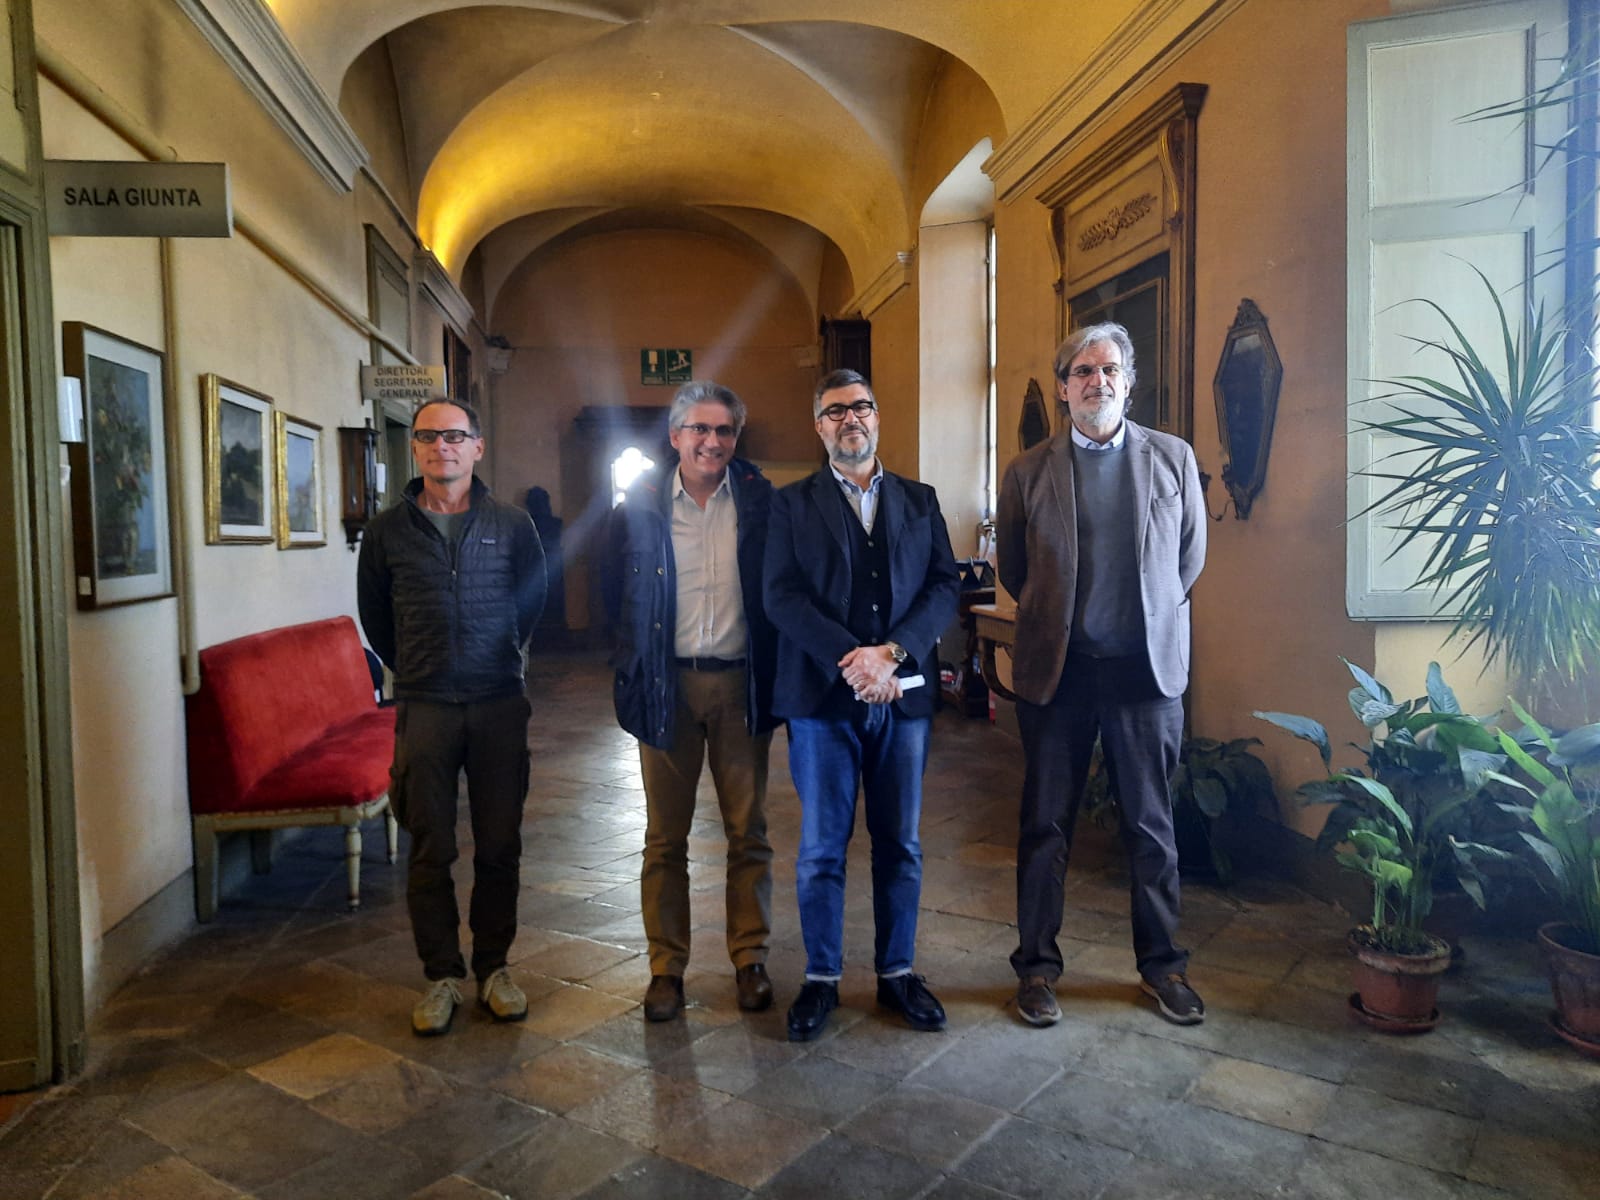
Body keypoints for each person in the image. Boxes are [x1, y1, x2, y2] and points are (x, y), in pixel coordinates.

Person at [996, 322, 1207, 1027]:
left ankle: (1162, 967)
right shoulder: (1027, 472)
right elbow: (1018, 572)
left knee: (1150, 827)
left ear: (1129, 380)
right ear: (1063, 388)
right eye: (1083, 370)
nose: (1098, 381)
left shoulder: (1172, 459)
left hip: (1144, 675)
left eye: (1110, 368)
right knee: (1045, 826)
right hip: (1061, 676)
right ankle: (1036, 971)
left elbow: (1188, 562)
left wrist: (1141, 619)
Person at [764, 369, 960, 1042]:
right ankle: (820, 978)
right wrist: (855, 658)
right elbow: (781, 596)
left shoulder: (920, 500)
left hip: (902, 701)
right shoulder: (790, 506)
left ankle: (898, 971)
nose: (852, 419)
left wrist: (895, 653)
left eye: (862, 408)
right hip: (822, 701)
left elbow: (942, 588)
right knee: (821, 847)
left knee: (900, 844)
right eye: (836, 411)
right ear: (818, 425)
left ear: (878, 419)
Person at [357, 397, 546, 1036]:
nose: (444, 447)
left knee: (499, 844)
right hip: (427, 706)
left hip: (497, 702)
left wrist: (502, 658)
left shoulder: (513, 524)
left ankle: (494, 969)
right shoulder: (387, 532)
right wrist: (418, 665)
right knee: (429, 846)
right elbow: (376, 617)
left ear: (477, 447)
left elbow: (534, 598)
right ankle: (442, 974)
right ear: (415, 448)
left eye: (455, 436)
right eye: (430, 437)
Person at [603, 380, 778, 1021]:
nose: (712, 441)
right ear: (675, 436)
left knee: (748, 832)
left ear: (736, 438)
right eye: (698, 429)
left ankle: (750, 958)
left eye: (724, 430)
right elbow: (609, 595)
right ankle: (665, 970)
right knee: (663, 839)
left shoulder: (761, 502)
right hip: (667, 687)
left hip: (740, 685)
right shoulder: (641, 506)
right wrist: (630, 668)